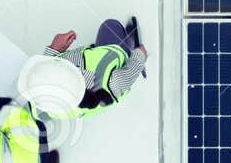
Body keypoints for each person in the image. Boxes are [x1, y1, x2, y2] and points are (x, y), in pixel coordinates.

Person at [12, 17, 149, 120]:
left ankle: (98, 50)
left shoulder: (47, 104)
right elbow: (132, 70)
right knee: (110, 26)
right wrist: (140, 54)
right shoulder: (111, 83)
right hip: (117, 63)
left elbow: (47, 76)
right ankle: (128, 47)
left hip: (88, 67)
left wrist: (54, 49)